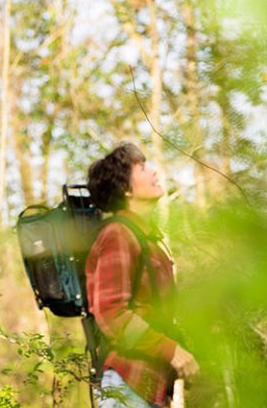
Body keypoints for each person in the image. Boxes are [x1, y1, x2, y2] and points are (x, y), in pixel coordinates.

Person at [85, 143, 199, 408]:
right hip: (127, 385)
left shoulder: (146, 239)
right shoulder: (118, 235)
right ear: (126, 188)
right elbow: (111, 312)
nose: (155, 173)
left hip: (148, 388)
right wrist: (171, 350)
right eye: (143, 168)